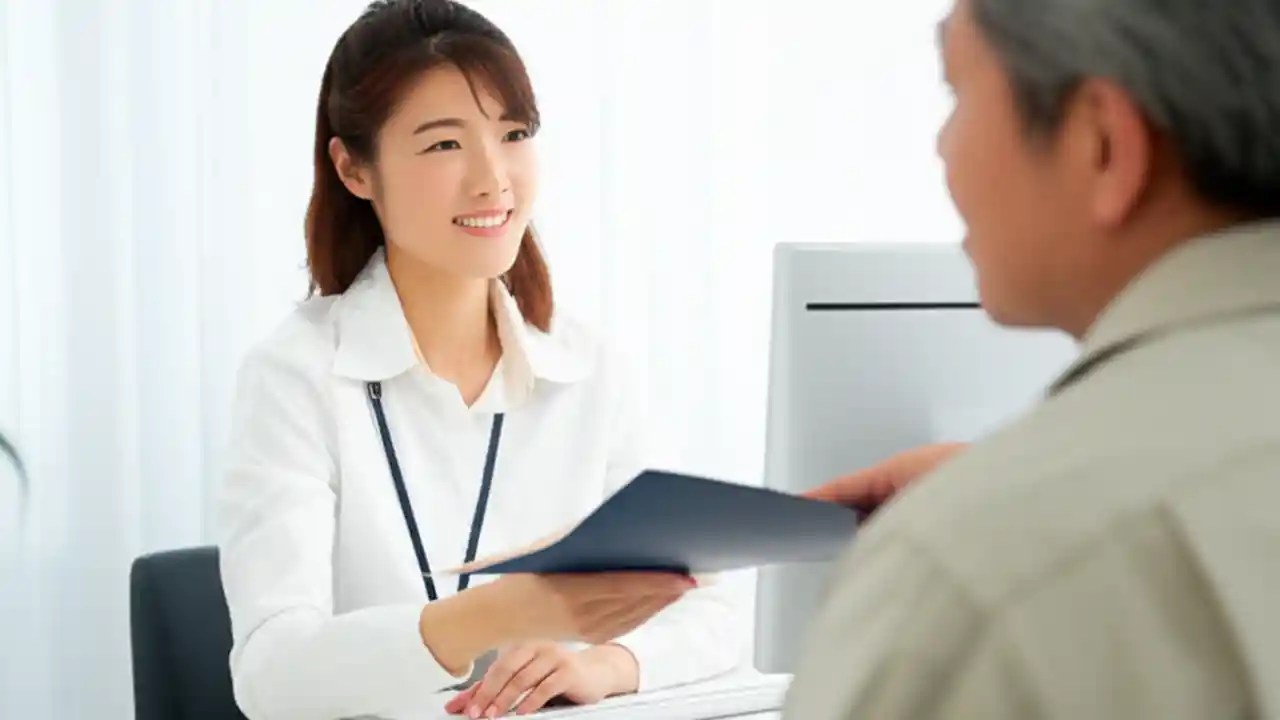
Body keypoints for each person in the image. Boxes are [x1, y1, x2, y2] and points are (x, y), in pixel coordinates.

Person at [216, 2, 741, 718]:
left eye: (514, 134)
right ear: (354, 168)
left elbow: (712, 611)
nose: (493, 178)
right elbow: (272, 676)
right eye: (443, 145)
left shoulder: (590, 367)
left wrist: (605, 665)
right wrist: (498, 614)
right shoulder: (297, 375)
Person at [788, 0, 1280, 717]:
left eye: (956, 92)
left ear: (1102, 143)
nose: (941, 147)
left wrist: (1009, 521)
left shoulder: (971, 582)